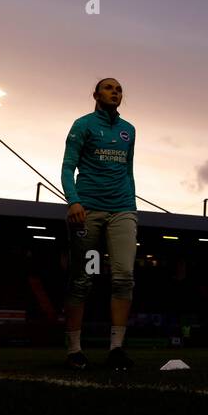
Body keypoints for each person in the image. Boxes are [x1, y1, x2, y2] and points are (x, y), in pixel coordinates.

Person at [61, 77, 138, 371]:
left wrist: (130, 204)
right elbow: (68, 167)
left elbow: (128, 171)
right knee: (82, 279)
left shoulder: (128, 131)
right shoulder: (82, 125)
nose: (115, 92)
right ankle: (74, 350)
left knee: (123, 277)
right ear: (95, 94)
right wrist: (74, 201)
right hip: (88, 210)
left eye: (119, 89)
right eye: (109, 88)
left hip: (122, 211)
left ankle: (117, 349)